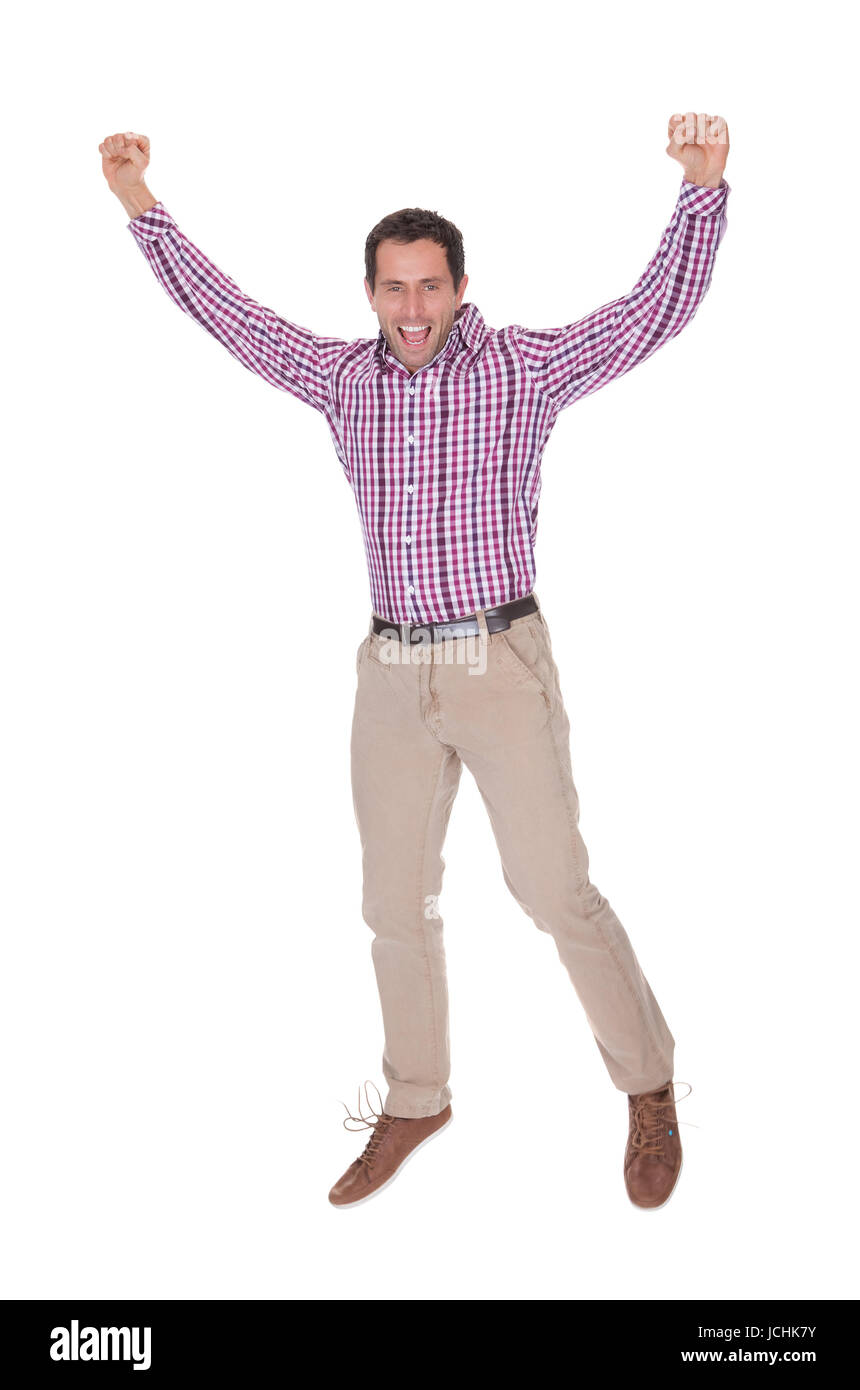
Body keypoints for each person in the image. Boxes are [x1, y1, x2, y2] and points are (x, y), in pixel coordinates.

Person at [100, 114, 730, 1211]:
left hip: (497, 661)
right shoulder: (345, 381)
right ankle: (416, 1095)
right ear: (370, 294)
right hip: (389, 675)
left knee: (551, 889)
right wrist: (140, 206)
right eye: (391, 289)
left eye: (428, 287)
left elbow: (650, 316)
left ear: (459, 285)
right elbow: (233, 319)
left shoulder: (521, 368)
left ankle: (647, 1085)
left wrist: (701, 192)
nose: (410, 310)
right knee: (392, 899)